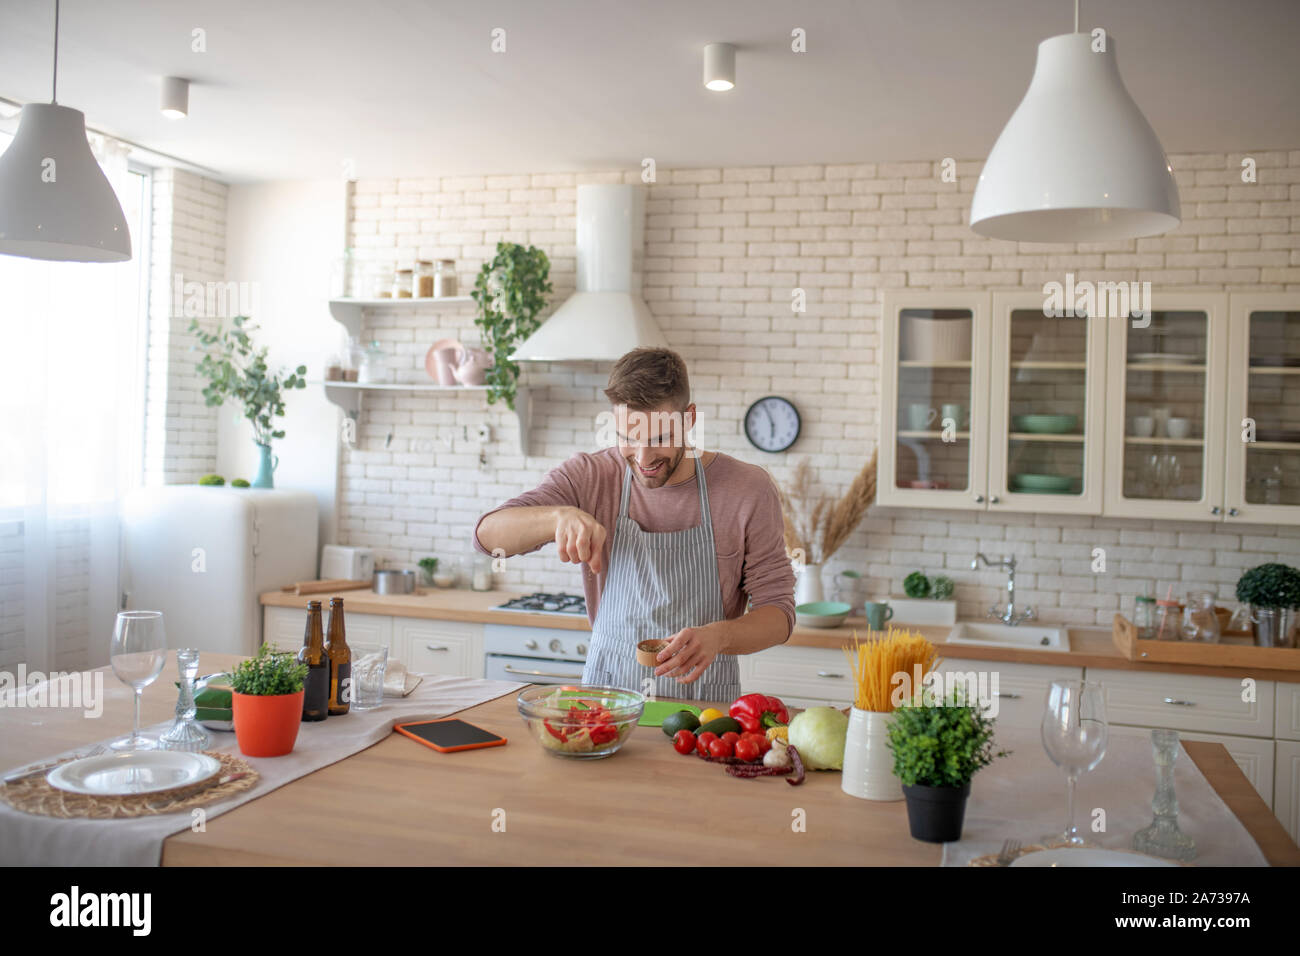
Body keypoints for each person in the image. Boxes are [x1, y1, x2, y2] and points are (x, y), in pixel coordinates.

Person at [473, 347, 795, 702]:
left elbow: (778, 614)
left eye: (658, 439)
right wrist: (557, 517)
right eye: (627, 438)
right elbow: (488, 536)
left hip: (702, 711)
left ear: (689, 419)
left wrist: (718, 637)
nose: (642, 459)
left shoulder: (747, 489)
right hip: (605, 701)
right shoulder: (591, 475)